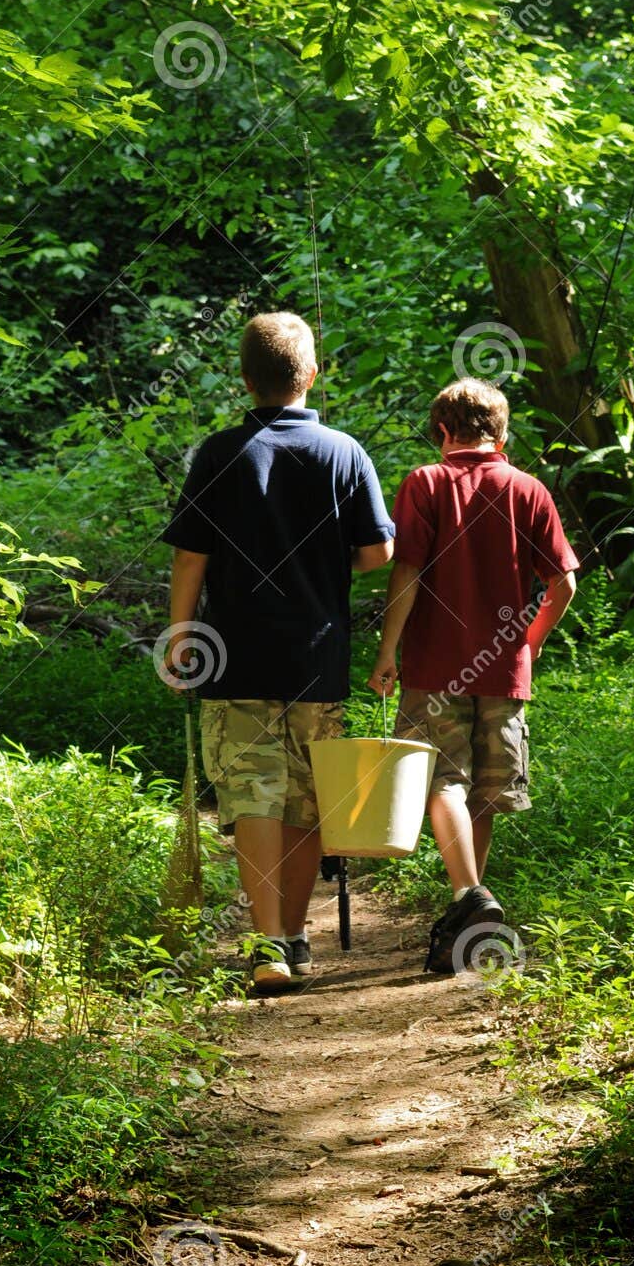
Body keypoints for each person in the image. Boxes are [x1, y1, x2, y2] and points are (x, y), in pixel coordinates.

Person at [162, 312, 394, 993]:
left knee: (251, 794)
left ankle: (266, 943)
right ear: (311, 376)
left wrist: (181, 633)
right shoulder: (344, 452)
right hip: (316, 658)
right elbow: (378, 553)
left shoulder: (218, 453)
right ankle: (294, 936)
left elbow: (189, 557)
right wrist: (328, 566)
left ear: (244, 379)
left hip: (234, 655)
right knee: (307, 802)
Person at [369, 376, 578, 974]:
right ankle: (468, 914)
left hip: (435, 665)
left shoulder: (426, 483)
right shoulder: (528, 489)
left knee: (443, 781)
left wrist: (388, 651)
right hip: (503, 670)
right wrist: (530, 643)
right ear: (502, 431)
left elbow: (406, 569)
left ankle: (469, 897)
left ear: (441, 432)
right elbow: (563, 582)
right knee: (483, 792)